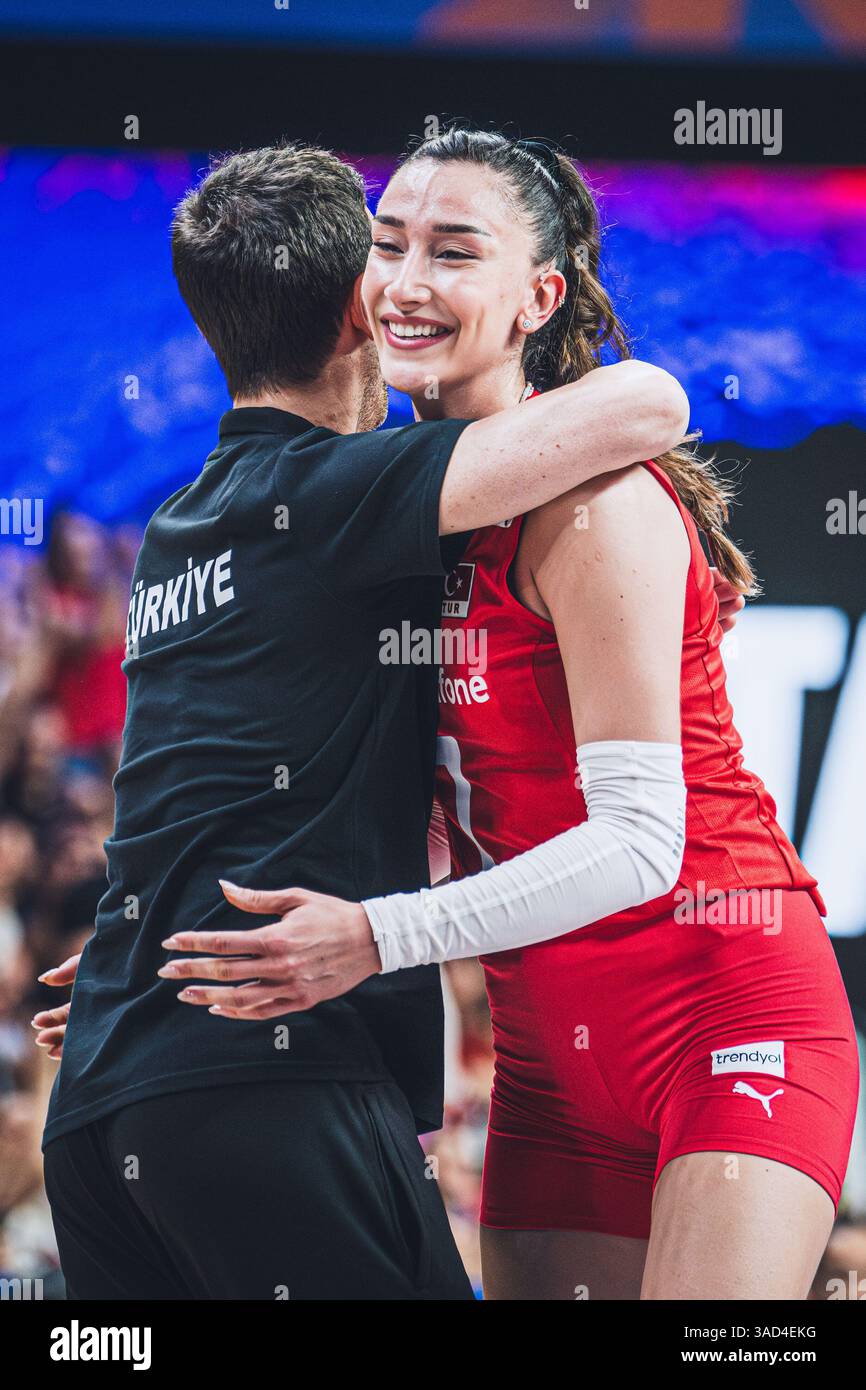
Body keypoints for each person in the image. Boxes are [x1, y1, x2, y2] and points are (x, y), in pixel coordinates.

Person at [165, 129, 859, 1301]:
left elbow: (641, 844)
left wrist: (375, 936)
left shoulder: (594, 503)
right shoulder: (386, 511)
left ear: (539, 295)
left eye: (453, 251)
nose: (407, 281)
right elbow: (389, 809)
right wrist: (172, 945)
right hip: (546, 1068)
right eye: (388, 245)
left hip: (725, 1014)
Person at [35, 141, 691, 1300]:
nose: (407, 279)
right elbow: (648, 404)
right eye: (389, 257)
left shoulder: (179, 533)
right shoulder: (346, 488)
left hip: (101, 1102)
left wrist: (149, 935)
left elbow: (211, 772)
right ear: (362, 305)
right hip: (270, 1080)